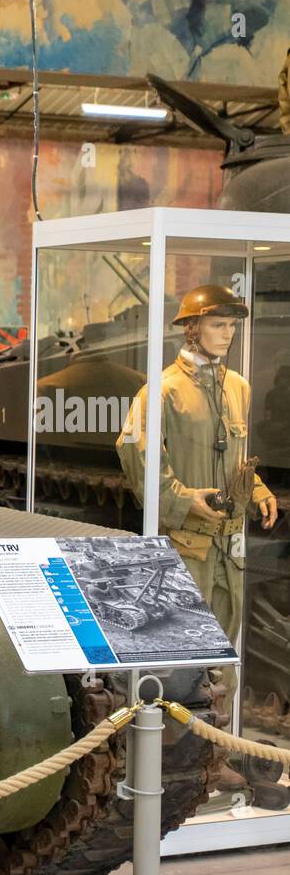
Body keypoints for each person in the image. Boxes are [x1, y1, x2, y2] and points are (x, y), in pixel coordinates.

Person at [116, 284, 278, 789]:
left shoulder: (239, 388)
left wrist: (255, 487)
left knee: (223, 650)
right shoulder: (160, 391)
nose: (227, 334)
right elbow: (136, 455)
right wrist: (184, 500)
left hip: (230, 545)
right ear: (192, 328)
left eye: (231, 326)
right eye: (217, 325)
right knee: (183, 653)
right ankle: (178, 762)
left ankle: (215, 757)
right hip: (187, 544)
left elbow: (234, 454)